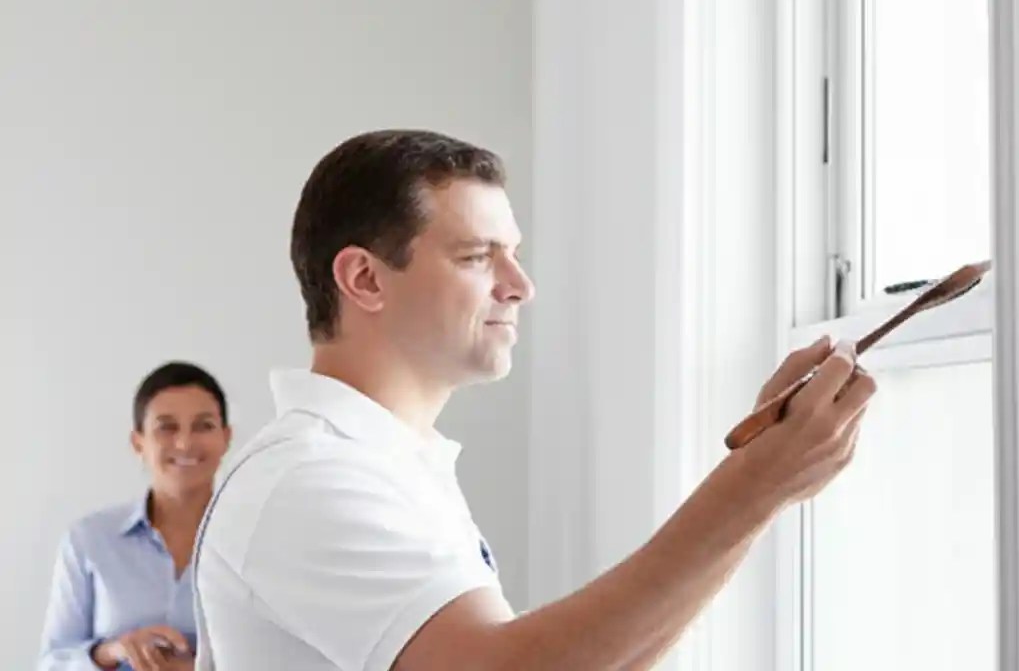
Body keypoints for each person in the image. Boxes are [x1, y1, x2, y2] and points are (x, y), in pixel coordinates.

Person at [193, 129, 876, 670]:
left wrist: (762, 484)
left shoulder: (383, 468)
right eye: (476, 256)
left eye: (512, 253)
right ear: (365, 278)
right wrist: (752, 487)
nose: (519, 285)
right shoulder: (310, 479)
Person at [39, 362, 233, 671]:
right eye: (166, 427)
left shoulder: (256, 543)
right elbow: (51, 664)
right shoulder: (88, 541)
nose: (184, 443)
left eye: (203, 425)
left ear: (226, 438)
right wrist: (111, 652)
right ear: (138, 442)